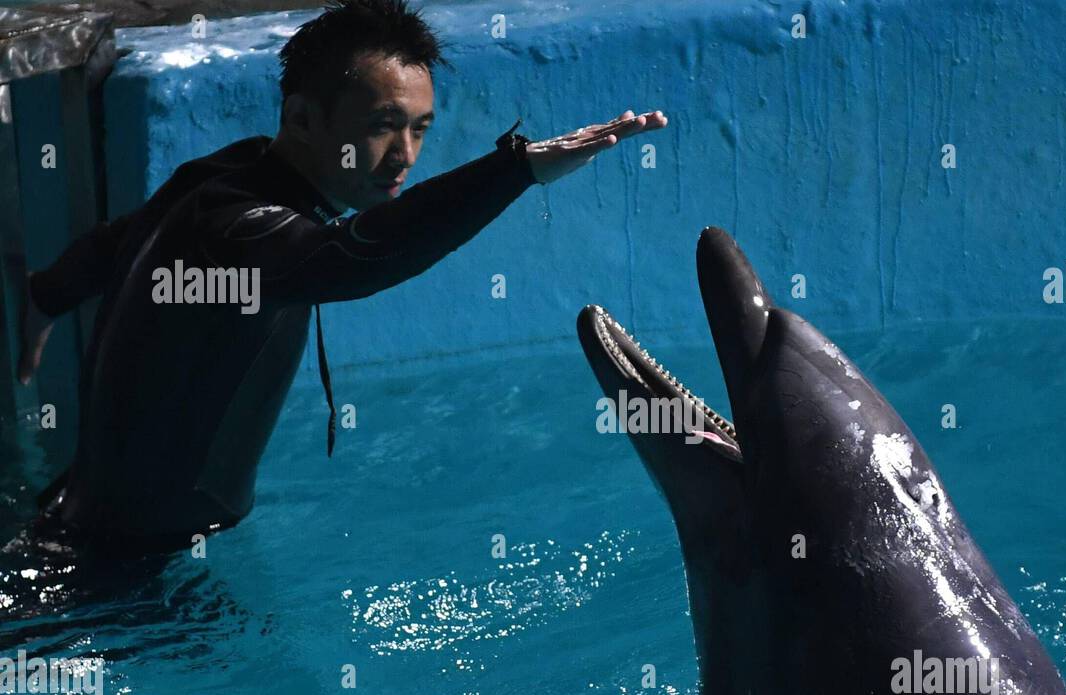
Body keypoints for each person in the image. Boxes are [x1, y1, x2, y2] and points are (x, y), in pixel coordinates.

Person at [14, 0, 666, 555]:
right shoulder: (243, 224)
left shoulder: (219, 179)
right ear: (302, 119)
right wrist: (517, 170)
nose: (405, 154)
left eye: (419, 128)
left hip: (89, 525)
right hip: (120, 572)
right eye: (382, 126)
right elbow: (348, 259)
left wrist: (44, 298)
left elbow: (116, 243)